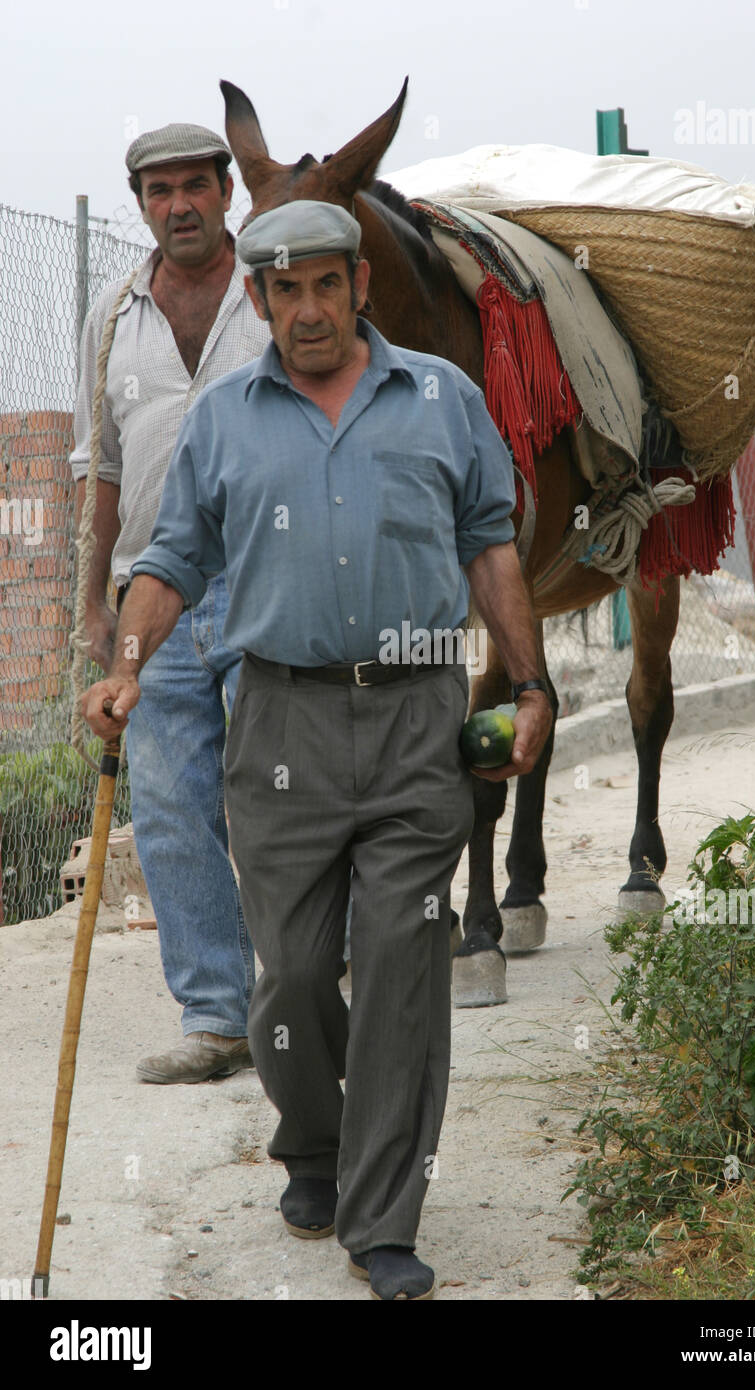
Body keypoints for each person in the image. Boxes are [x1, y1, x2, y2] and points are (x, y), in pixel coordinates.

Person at [80, 199, 553, 1300]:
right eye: (281, 291)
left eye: (324, 286)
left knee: (397, 967)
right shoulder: (225, 421)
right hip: (280, 721)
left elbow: (489, 545)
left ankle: (381, 1214)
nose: (305, 310)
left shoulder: (440, 400)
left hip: (412, 722)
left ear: (358, 289)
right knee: (289, 978)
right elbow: (173, 558)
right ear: (258, 300)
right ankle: (312, 1142)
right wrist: (127, 661)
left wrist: (528, 685)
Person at [70, 124, 271, 1082]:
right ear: (140, 201)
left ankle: (326, 980)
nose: (180, 203)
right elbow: (99, 466)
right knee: (168, 801)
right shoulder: (112, 315)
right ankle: (216, 1017)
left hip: (270, 575)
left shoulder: (273, 290)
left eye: (197, 184)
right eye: (161, 190)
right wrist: (93, 604)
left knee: (287, 782)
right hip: (153, 591)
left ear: (228, 191)